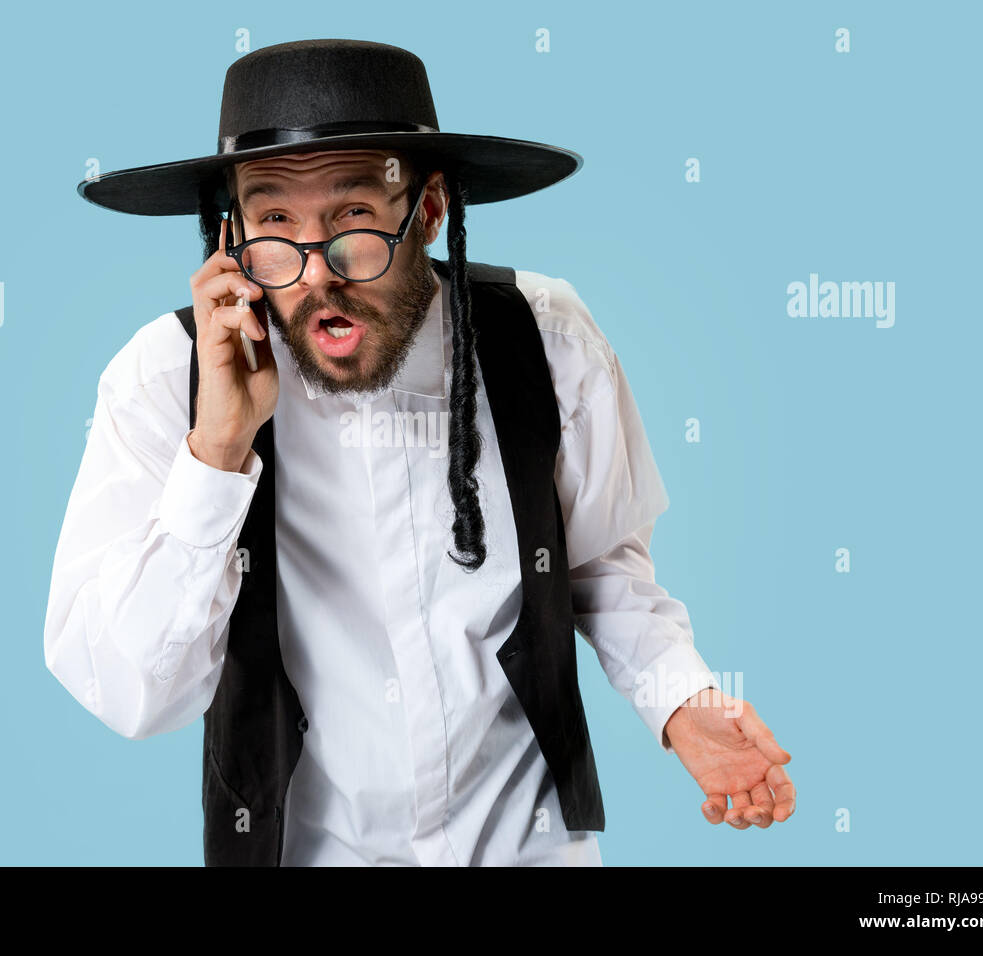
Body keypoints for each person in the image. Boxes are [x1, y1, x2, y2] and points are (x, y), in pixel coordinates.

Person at [44, 38, 795, 866]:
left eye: (355, 218)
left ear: (429, 210)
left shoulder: (547, 338)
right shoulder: (162, 379)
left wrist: (679, 702)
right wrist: (216, 451)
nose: (316, 273)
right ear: (232, 233)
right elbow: (132, 694)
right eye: (274, 221)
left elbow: (603, 567)